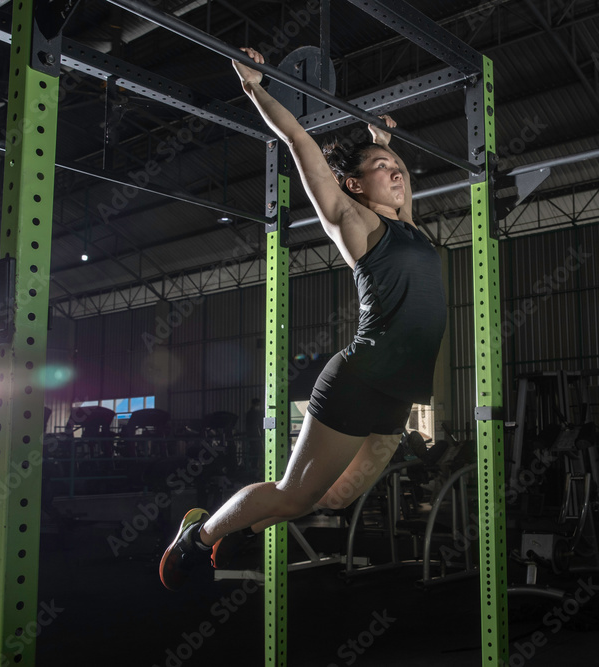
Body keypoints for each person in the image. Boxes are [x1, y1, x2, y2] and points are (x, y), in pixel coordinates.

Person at [159, 47, 447, 590]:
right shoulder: (353, 221)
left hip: (400, 388)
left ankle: (239, 524)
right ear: (355, 186)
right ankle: (198, 536)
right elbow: (300, 141)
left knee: (334, 498)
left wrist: (382, 144)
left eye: (399, 169)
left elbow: (395, 179)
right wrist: (253, 87)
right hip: (360, 379)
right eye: (382, 170)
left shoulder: (409, 225)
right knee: (295, 493)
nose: (396, 174)